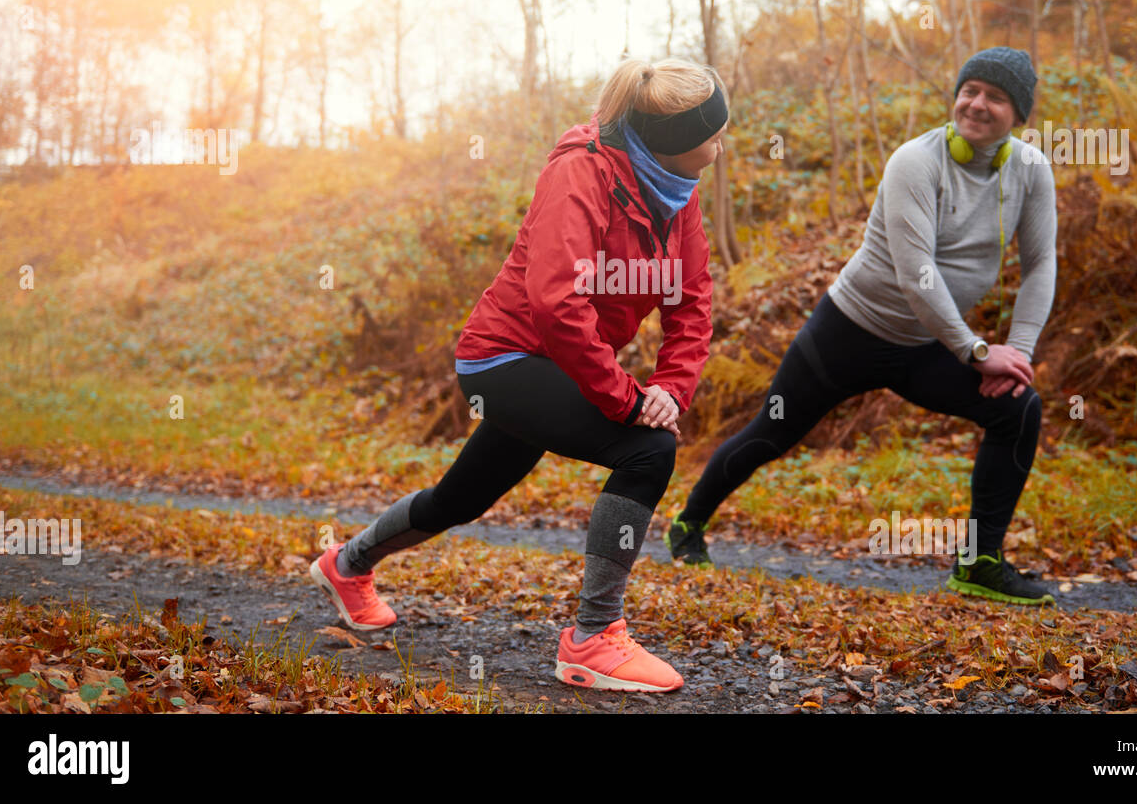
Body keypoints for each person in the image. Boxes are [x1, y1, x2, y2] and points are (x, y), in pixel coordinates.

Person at [309, 57, 726, 691]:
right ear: (673, 142)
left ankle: (347, 562)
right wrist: (626, 400)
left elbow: (691, 299)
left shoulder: (674, 191)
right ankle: (592, 639)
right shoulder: (581, 173)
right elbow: (557, 303)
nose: (720, 149)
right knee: (648, 449)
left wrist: (671, 387)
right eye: (712, 136)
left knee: (462, 498)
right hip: (503, 360)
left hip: (560, 366)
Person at [664, 46, 1059, 606]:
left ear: (1019, 114)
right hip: (846, 333)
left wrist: (1015, 352)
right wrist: (974, 352)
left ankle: (980, 564)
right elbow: (916, 272)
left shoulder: (1030, 171)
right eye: (970, 90)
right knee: (771, 433)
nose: (977, 103)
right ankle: (689, 523)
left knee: (1018, 406)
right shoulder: (915, 162)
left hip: (926, 346)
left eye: (996, 97)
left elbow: (1042, 262)